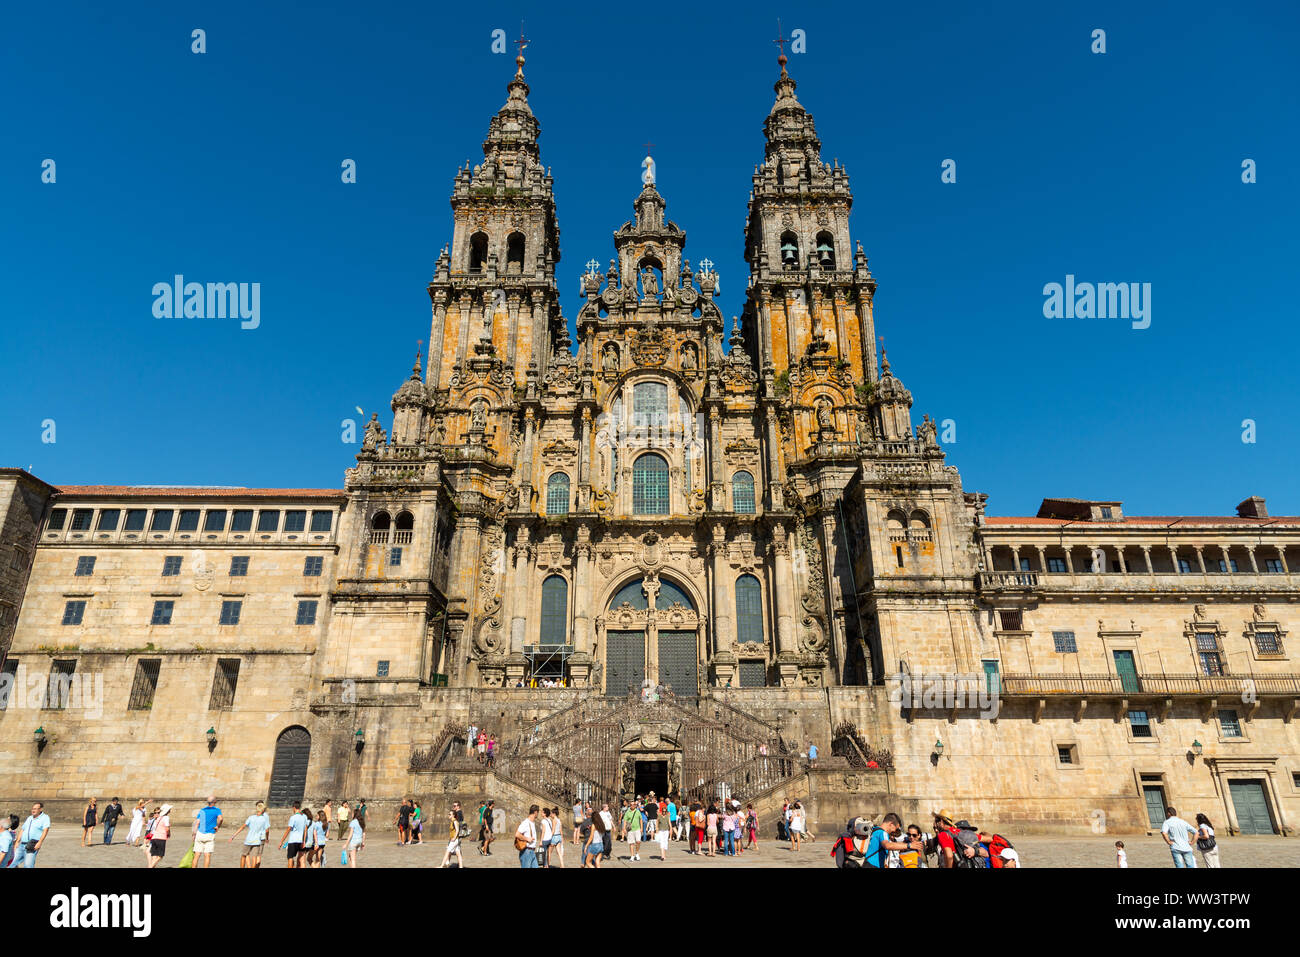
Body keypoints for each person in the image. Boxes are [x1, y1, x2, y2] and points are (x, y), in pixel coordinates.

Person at [229, 801, 271, 868]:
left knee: (243, 855)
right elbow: (267, 830)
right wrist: (267, 838)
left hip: (248, 840)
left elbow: (242, 827)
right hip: (257, 841)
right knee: (254, 857)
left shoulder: (251, 817)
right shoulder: (264, 819)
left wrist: (233, 836)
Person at [11, 802, 52, 868]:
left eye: (35, 809)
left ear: (41, 809)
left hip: (32, 845)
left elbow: (45, 830)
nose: (33, 810)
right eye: (32, 809)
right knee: (11, 863)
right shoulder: (29, 818)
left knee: (28, 865)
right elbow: (22, 829)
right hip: (21, 845)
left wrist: (40, 842)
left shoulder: (45, 818)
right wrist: (17, 842)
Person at [192, 795, 223, 868]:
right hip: (209, 834)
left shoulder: (202, 810)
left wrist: (194, 834)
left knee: (196, 855)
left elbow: (197, 823)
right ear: (214, 802)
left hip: (199, 834)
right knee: (207, 855)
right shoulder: (217, 810)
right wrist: (218, 826)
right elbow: (221, 819)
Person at [280, 801, 310, 868]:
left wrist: (281, 841)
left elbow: (288, 830)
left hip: (293, 841)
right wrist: (304, 841)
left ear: (294, 808)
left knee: (290, 858)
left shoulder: (293, 817)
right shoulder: (304, 817)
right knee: (302, 859)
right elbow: (305, 830)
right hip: (301, 841)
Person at [147, 804, 171, 869]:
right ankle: (150, 866)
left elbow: (153, 829)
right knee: (160, 855)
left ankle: (151, 866)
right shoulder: (166, 817)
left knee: (154, 855)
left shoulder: (158, 818)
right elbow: (167, 828)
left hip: (154, 838)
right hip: (161, 837)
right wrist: (168, 833)